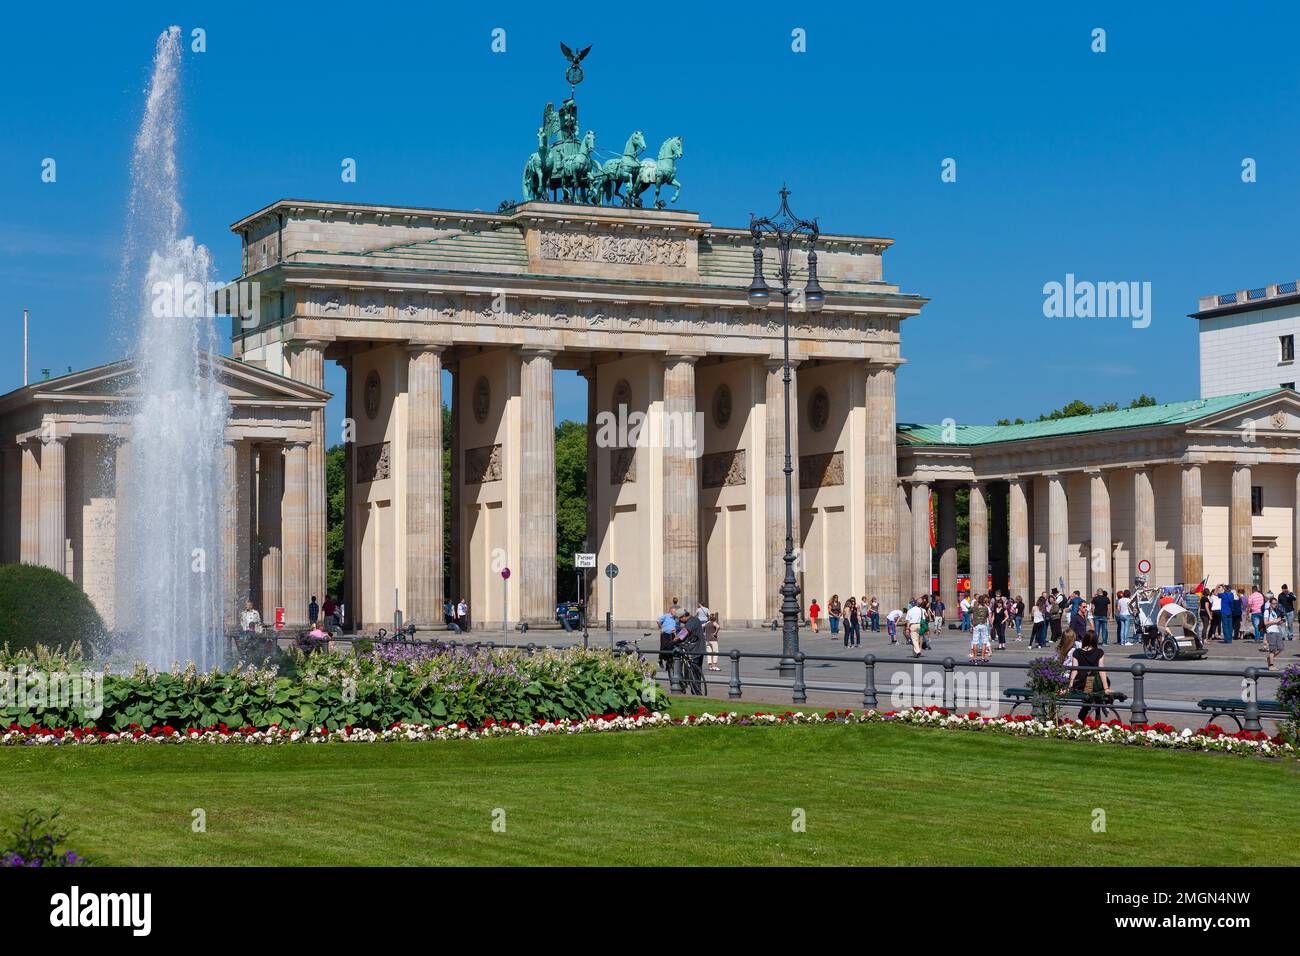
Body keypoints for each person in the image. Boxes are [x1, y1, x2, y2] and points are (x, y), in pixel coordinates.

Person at [1071, 630, 1112, 722]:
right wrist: (1106, 688)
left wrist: (1070, 684)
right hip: (1093, 682)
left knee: (1089, 696)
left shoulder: (1077, 652)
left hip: (1081, 682)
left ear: (1084, 640)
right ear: (1095, 641)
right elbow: (1101, 670)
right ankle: (1102, 705)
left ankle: (1084, 716)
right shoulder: (1099, 652)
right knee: (1097, 686)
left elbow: (1074, 670)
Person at [1264, 597, 1285, 670]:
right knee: (1272, 649)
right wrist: (1276, 621)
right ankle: (1271, 666)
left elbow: (1276, 623)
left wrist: (1280, 622)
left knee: (1281, 648)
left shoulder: (1275, 612)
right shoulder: (1267, 611)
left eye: (1276, 603)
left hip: (1277, 630)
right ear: (1270, 603)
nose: (1275, 605)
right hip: (1271, 631)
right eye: (1273, 603)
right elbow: (1265, 622)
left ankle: (1269, 659)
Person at [969, 594, 991, 663]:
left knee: (975, 642)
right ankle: (982, 657)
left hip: (976, 625)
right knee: (984, 642)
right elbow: (987, 616)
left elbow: (968, 611)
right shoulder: (986, 608)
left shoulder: (975, 607)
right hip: (983, 625)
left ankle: (974, 658)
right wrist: (991, 624)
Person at [658, 606, 678, 675]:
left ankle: (668, 664)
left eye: (675, 611)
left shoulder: (675, 618)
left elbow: (677, 625)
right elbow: (658, 621)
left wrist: (676, 629)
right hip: (665, 634)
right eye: (674, 611)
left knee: (671, 648)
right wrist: (661, 628)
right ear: (671, 611)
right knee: (663, 647)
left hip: (672, 635)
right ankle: (660, 659)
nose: (675, 613)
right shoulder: (666, 616)